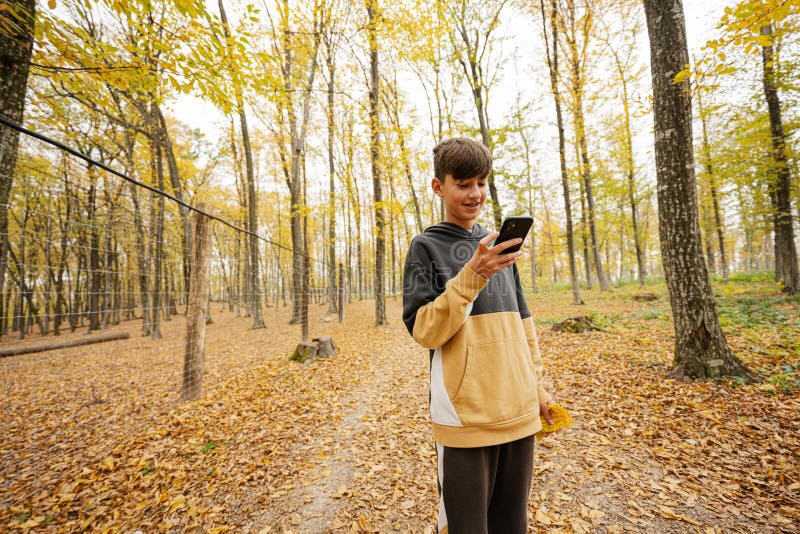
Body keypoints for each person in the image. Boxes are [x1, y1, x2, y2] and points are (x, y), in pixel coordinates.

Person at [402, 137, 555, 534]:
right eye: (464, 184)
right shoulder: (426, 246)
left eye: (482, 183)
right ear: (439, 187)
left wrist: (537, 388)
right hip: (465, 415)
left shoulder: (497, 242)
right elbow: (425, 330)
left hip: (518, 409)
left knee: (512, 523)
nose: (476, 194)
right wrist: (474, 274)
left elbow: (522, 321)